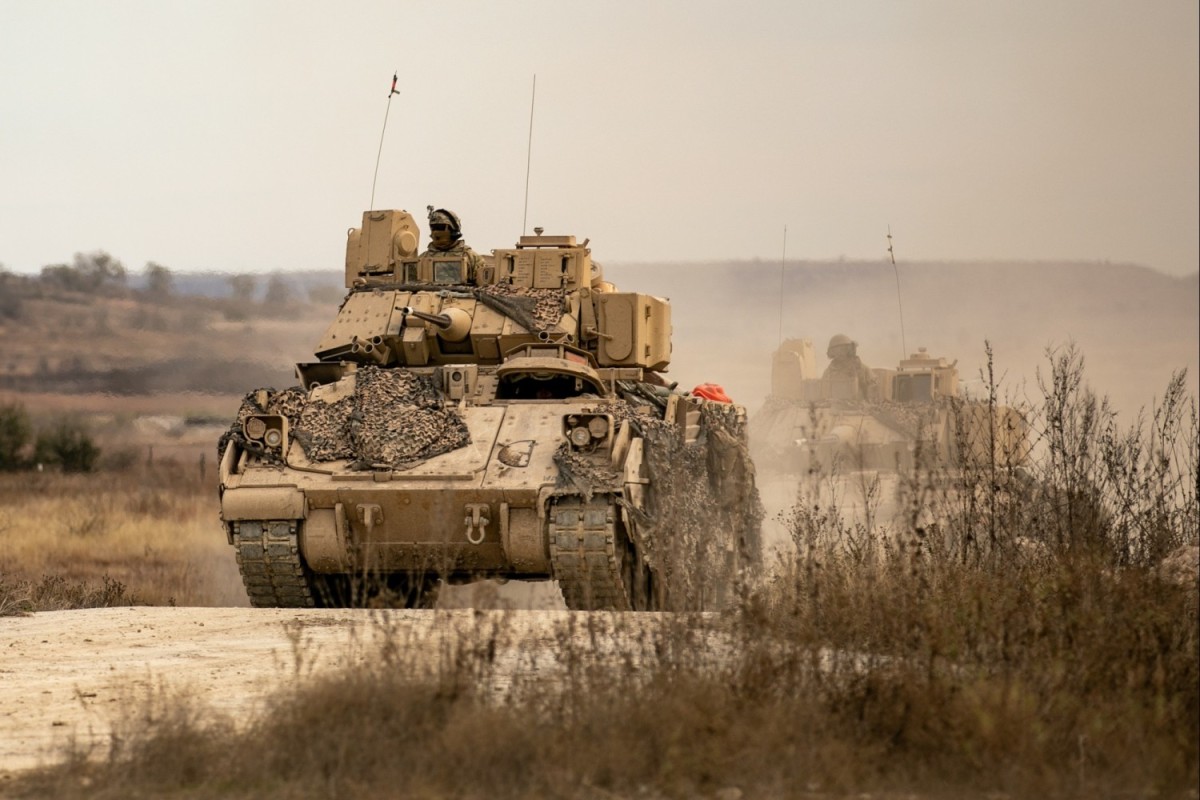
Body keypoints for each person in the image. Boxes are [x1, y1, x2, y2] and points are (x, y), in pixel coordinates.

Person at [420, 206, 485, 283]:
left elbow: (483, 285)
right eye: (433, 228)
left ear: (453, 230)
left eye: (440, 227)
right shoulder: (423, 258)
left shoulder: (471, 257)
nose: (436, 231)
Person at [822, 333, 875, 399]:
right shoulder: (828, 373)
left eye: (842, 349)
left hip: (858, 408)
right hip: (834, 408)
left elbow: (873, 394)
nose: (840, 353)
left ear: (849, 350)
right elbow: (825, 396)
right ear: (831, 352)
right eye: (836, 350)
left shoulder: (863, 370)